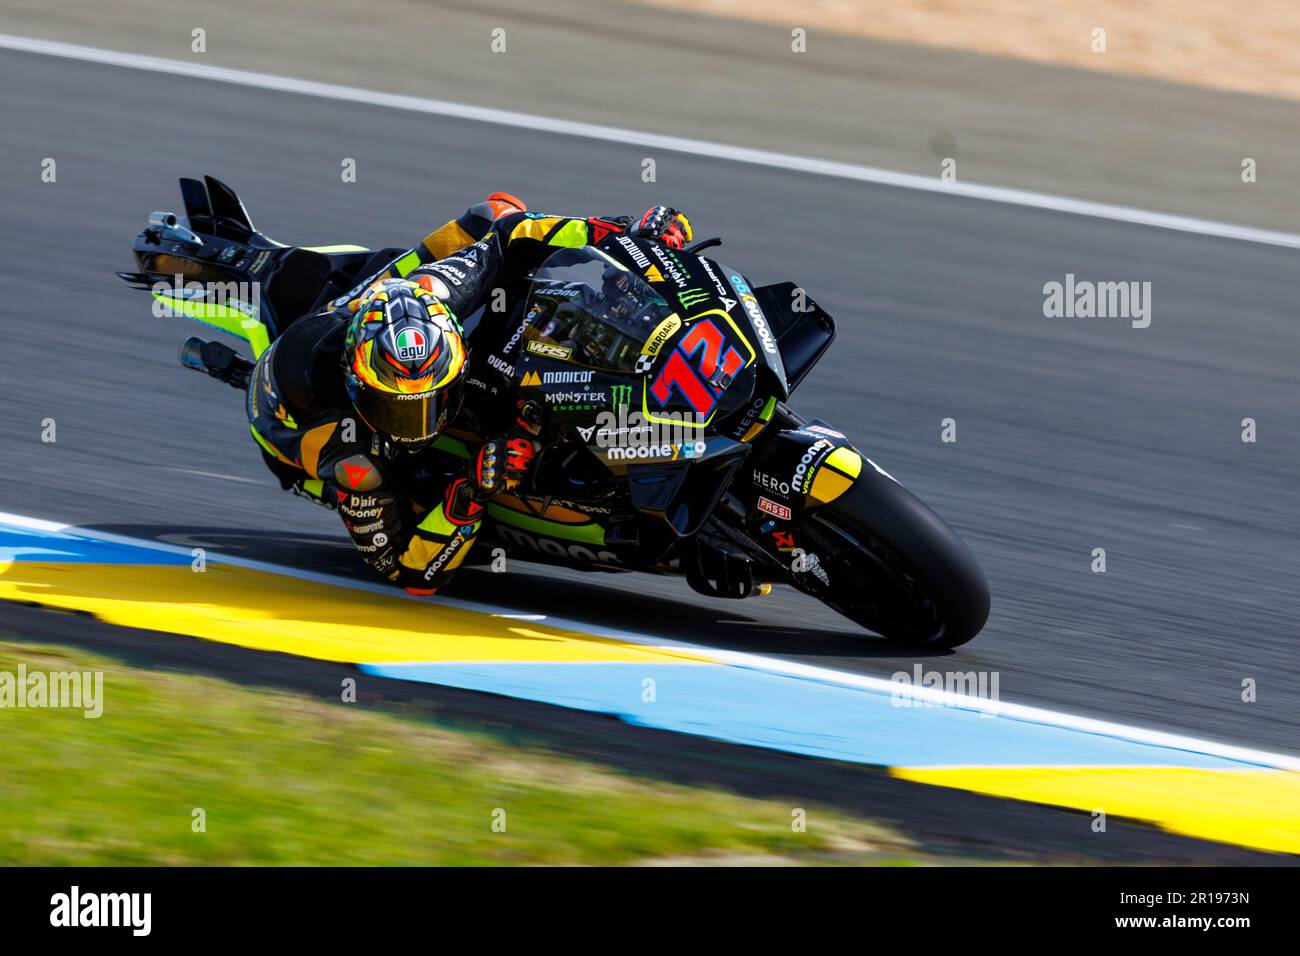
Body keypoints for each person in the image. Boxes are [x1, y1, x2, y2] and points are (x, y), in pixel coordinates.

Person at [247, 193, 692, 593]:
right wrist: (471, 489)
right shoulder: (350, 457)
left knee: (493, 212)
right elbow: (405, 570)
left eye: (431, 402)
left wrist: (618, 235)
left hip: (383, 309)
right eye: (401, 411)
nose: (421, 423)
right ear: (359, 386)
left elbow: (513, 232)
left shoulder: (438, 294)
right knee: (433, 485)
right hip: (299, 429)